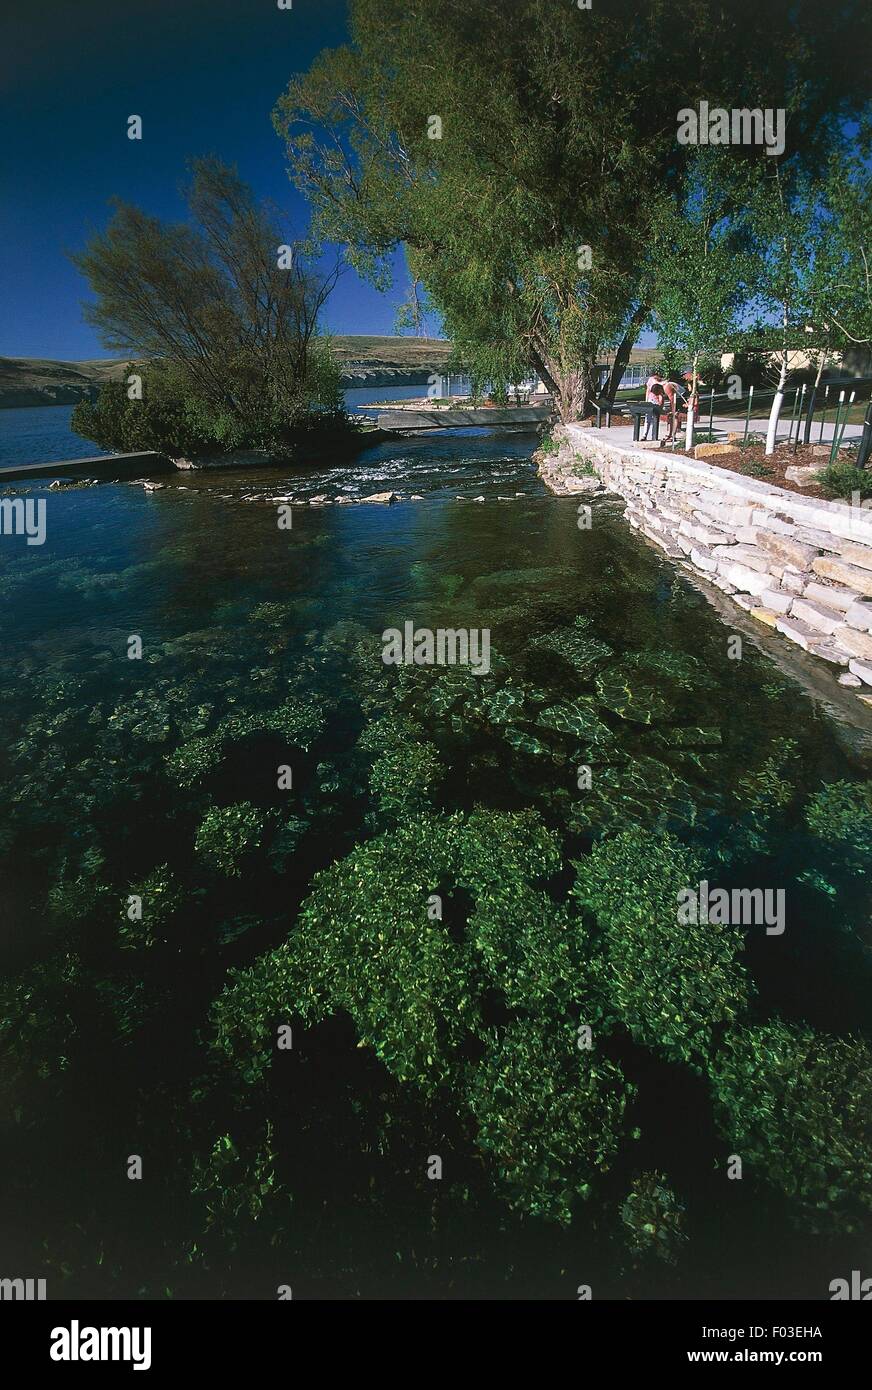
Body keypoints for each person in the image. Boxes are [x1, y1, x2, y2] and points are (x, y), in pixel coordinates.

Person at [643, 371, 665, 440]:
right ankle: (646, 435)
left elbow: (661, 395)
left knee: (652, 419)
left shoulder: (658, 382)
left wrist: (660, 404)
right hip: (651, 401)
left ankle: (652, 436)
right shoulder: (653, 380)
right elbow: (648, 391)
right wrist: (647, 401)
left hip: (655, 402)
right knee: (649, 419)